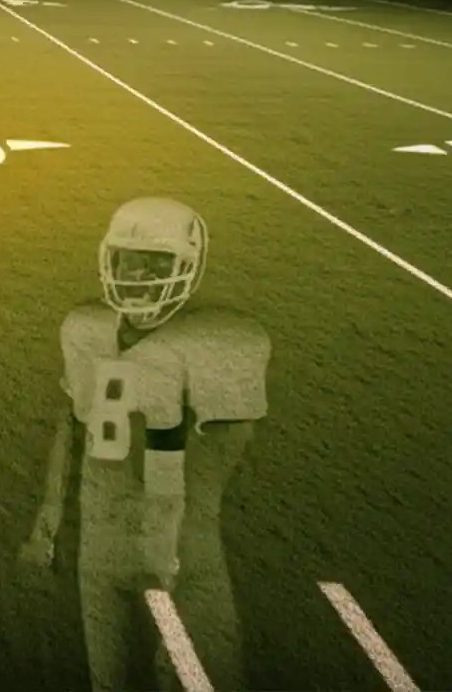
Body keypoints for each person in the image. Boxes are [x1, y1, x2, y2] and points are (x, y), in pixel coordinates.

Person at [20, 197, 270, 690]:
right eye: (127, 260)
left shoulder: (217, 344)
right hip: (103, 537)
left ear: (186, 266)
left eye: (153, 263)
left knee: (199, 674)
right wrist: (47, 528)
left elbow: (220, 455)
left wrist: (167, 528)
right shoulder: (88, 332)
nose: (136, 274)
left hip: (178, 547)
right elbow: (71, 433)